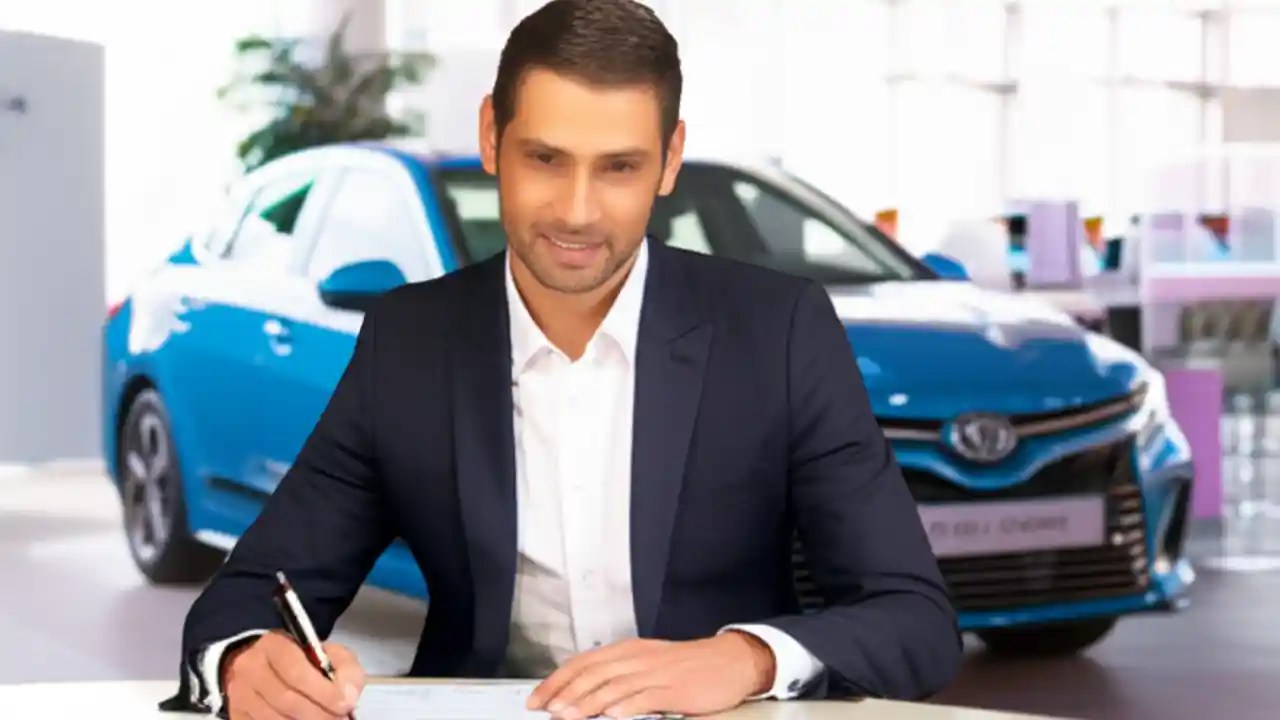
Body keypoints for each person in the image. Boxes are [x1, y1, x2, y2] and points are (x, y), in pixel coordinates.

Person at [168, 1, 961, 718]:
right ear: (491, 136)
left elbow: (915, 620)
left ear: (670, 158)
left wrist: (744, 658)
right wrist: (245, 660)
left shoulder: (778, 331)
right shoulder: (409, 341)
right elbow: (249, 595)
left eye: (619, 167)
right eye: (546, 159)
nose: (577, 213)